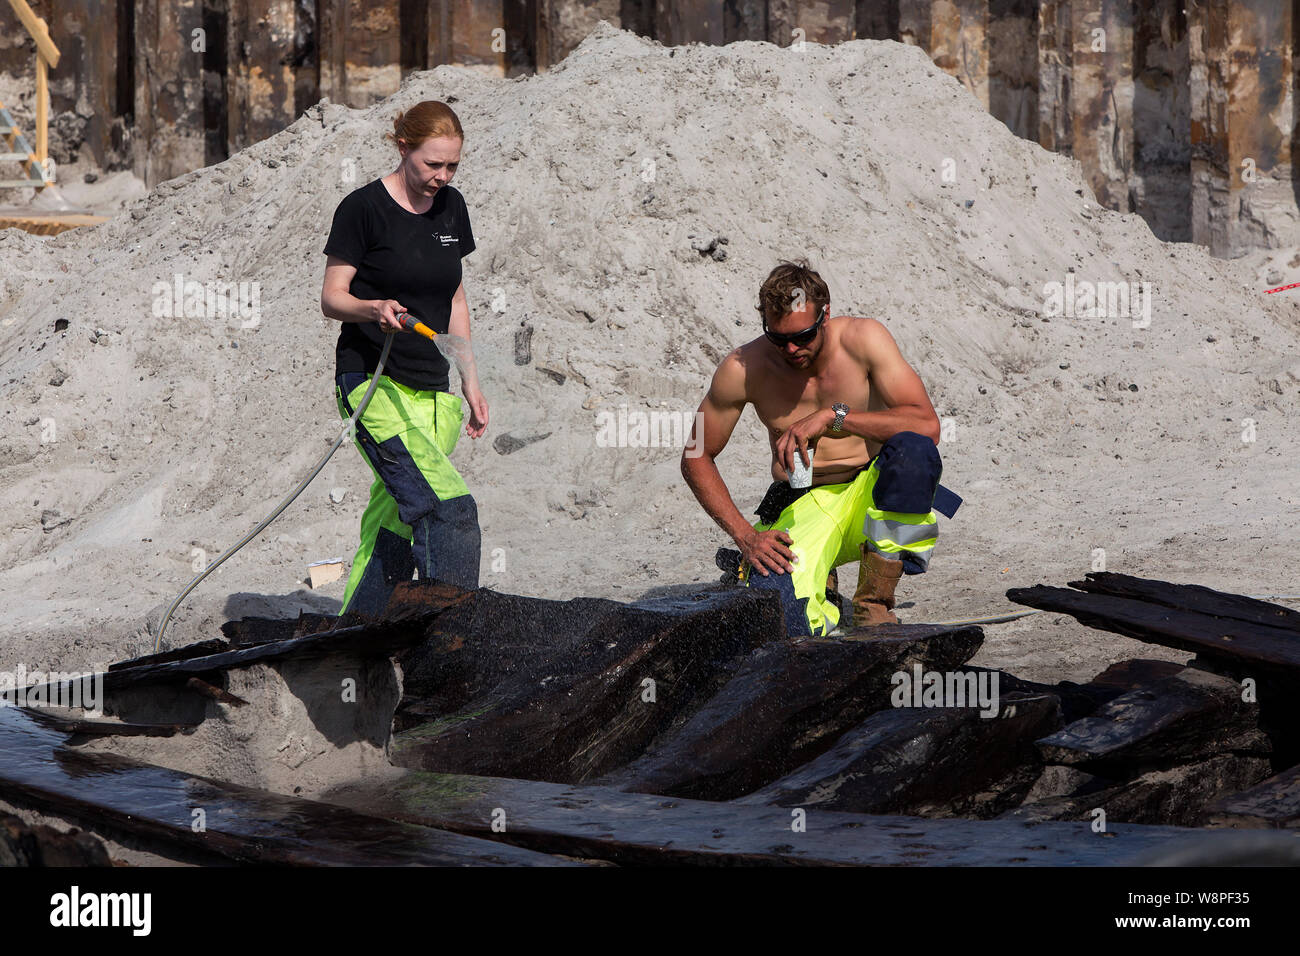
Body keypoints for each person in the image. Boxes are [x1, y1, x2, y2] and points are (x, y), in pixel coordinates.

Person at [681, 259, 960, 636]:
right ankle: (822, 596)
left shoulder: (863, 340)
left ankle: (874, 605)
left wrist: (836, 417)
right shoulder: (742, 368)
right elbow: (696, 453)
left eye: (804, 336)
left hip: (872, 494)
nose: (792, 349)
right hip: (806, 500)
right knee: (783, 621)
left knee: (914, 454)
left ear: (825, 314)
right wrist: (746, 537)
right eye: (779, 339)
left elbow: (927, 426)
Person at [320, 100, 488, 616]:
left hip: (433, 391)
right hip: (372, 383)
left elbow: (453, 298)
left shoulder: (451, 207)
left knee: (393, 516)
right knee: (445, 505)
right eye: (431, 164)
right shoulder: (362, 209)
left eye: (452, 165)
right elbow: (332, 298)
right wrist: (372, 308)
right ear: (402, 147)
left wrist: (471, 380)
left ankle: (360, 631)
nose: (442, 176)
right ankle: (451, 634)